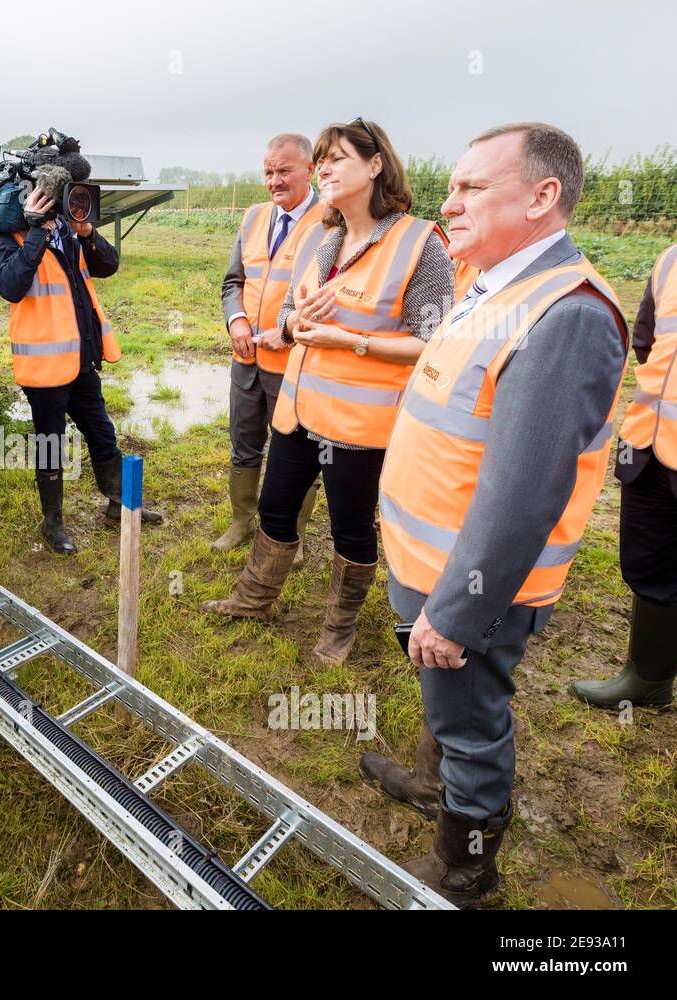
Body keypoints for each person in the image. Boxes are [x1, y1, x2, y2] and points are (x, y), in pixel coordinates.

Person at [362, 122, 628, 907]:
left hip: (469, 587)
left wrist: (456, 613)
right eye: (452, 185)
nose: (450, 201)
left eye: (473, 186)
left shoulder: (564, 314)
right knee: (448, 706)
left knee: (473, 724)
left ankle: (466, 870)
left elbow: (524, 492)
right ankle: (428, 780)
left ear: (543, 197)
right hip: (428, 563)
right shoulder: (493, 284)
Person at [202, 118, 453, 666]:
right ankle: (254, 598)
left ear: (375, 164)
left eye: (336, 158)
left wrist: (351, 340)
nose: (325, 169)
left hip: (361, 427)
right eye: (321, 160)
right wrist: (294, 325)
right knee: (274, 507)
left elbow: (436, 343)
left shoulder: (418, 241)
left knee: (351, 528)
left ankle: (338, 629)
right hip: (298, 409)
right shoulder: (326, 236)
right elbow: (293, 314)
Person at [0, 167, 162, 555]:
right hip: (45, 369)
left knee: (102, 433)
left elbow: (108, 265)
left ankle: (119, 505)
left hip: (81, 361)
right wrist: (34, 231)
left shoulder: (68, 232)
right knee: (50, 444)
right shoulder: (9, 238)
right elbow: (11, 287)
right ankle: (53, 524)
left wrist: (85, 232)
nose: (63, 204)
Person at [570, 242, 677, 707]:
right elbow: (647, 341)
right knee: (650, 563)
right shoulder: (671, 258)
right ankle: (649, 679)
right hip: (652, 443)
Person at [214, 133, 326, 557]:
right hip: (246, 359)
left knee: (294, 452)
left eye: (284, 171)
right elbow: (232, 282)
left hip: (298, 363)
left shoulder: (332, 222)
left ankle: (288, 536)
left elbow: (334, 296)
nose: (274, 180)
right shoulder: (253, 217)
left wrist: (289, 331)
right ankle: (241, 520)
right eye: (268, 172)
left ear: (310, 169)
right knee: (243, 442)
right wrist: (237, 319)